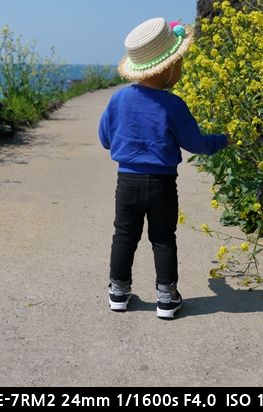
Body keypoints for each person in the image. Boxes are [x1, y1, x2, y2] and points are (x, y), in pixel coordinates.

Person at [99, 17, 232, 319]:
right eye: (180, 62)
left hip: (127, 184)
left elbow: (105, 139)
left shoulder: (118, 99)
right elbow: (196, 143)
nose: (181, 68)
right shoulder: (173, 105)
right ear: (167, 67)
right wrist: (223, 140)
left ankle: (118, 292)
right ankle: (166, 298)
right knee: (162, 239)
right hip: (161, 186)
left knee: (124, 235)